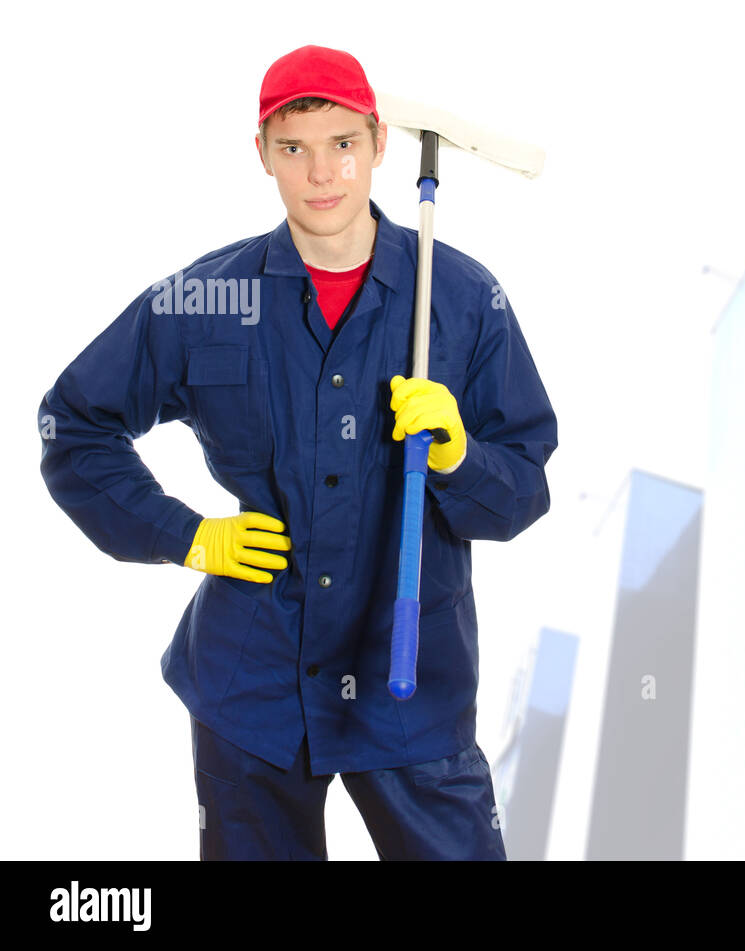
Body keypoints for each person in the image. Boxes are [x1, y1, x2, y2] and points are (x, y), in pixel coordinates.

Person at [36, 44, 558, 860]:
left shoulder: (460, 300)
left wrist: (459, 456)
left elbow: (522, 490)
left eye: (343, 144)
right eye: (294, 148)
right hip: (255, 683)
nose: (322, 173)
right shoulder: (208, 299)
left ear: (381, 145)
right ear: (262, 155)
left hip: (408, 678)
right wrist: (187, 534)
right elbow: (73, 424)